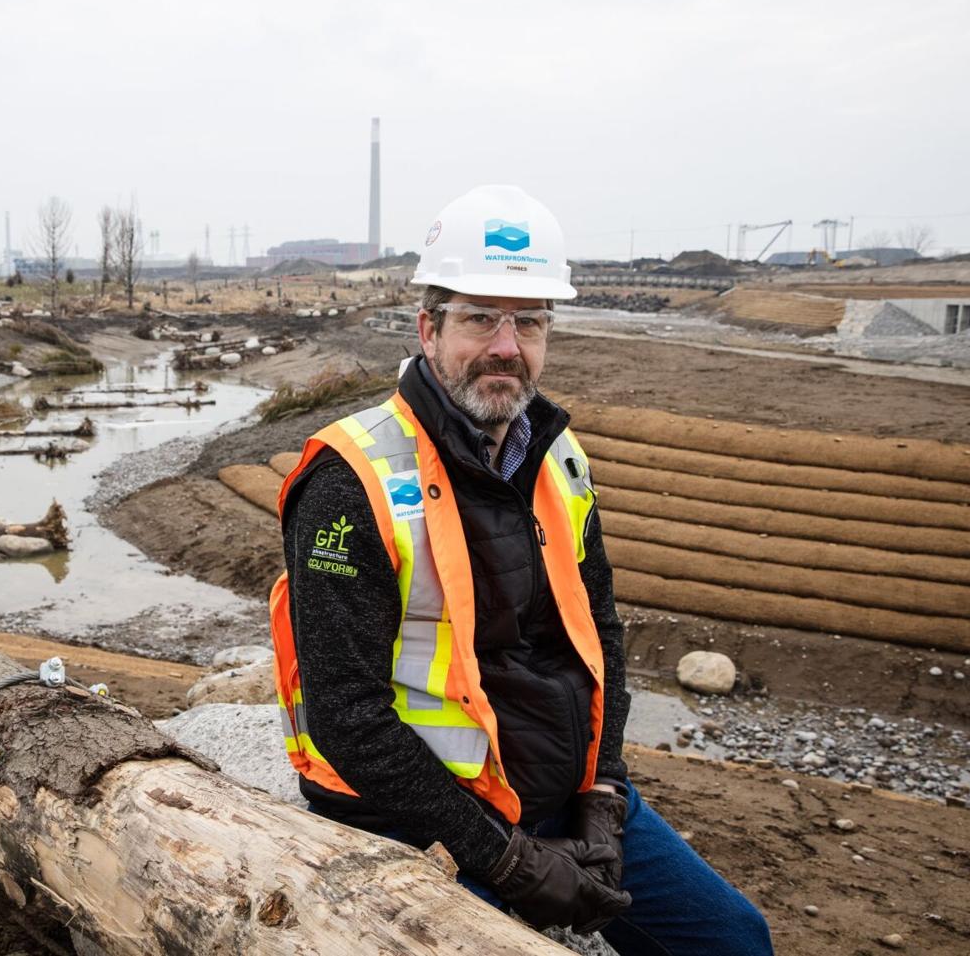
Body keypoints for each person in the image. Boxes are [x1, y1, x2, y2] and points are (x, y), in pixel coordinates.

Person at [270, 185, 772, 954]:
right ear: (428, 328)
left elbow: (599, 634)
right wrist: (504, 857)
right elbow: (347, 714)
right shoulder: (351, 477)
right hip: (421, 816)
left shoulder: (559, 458)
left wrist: (602, 797)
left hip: (559, 797)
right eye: (480, 317)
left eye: (529, 321)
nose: (507, 344)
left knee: (734, 939)